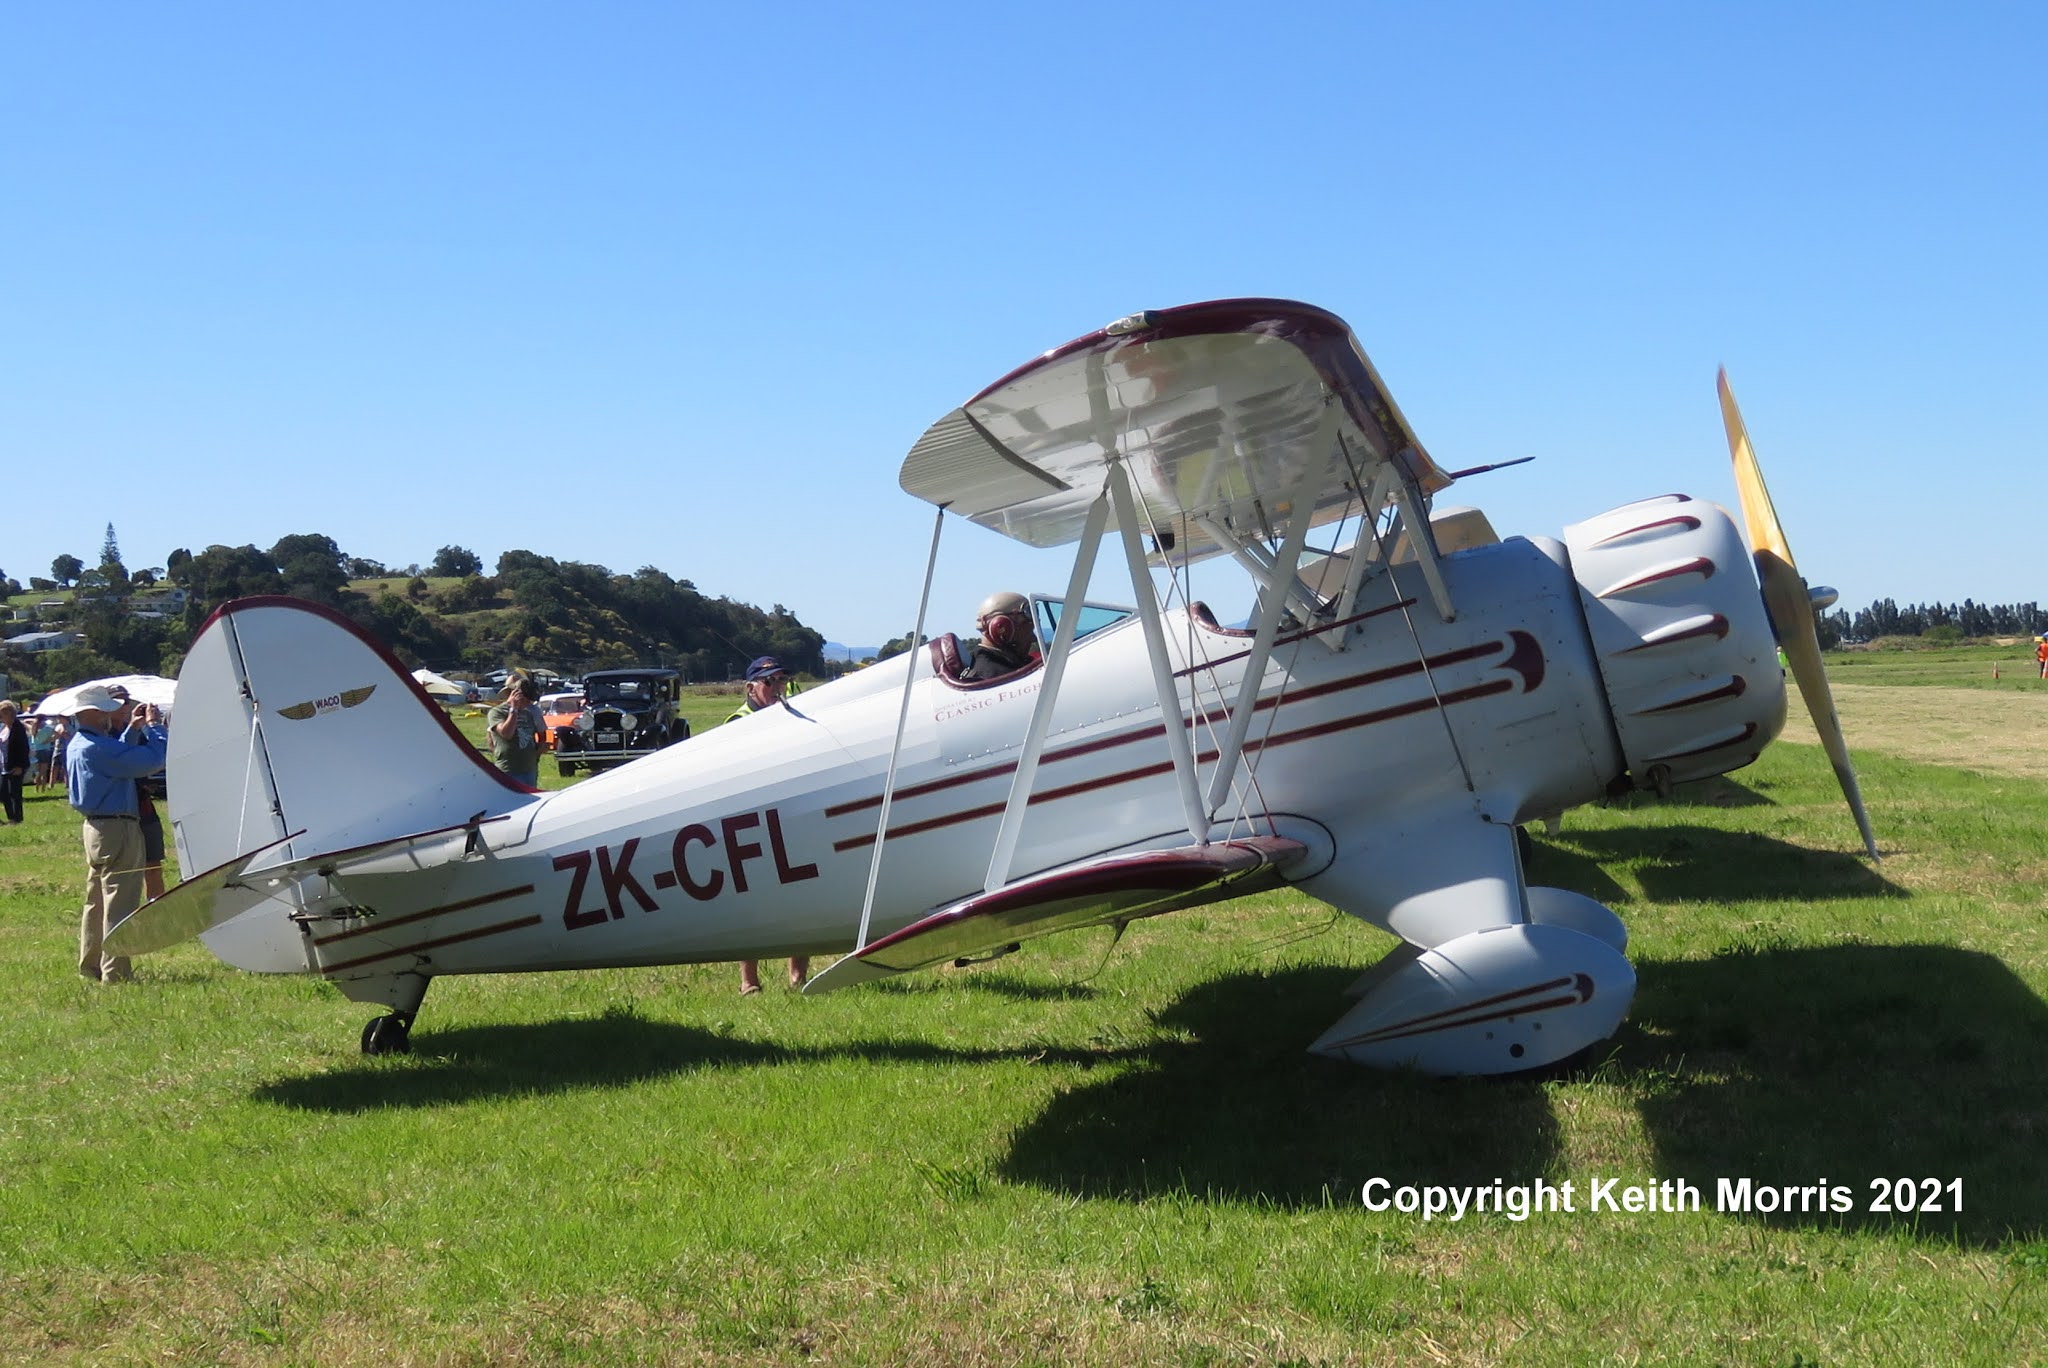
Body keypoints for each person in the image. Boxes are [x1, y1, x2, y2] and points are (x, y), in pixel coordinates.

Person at [66, 684, 168, 983]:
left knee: (95, 900)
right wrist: (154, 727)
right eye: (107, 711)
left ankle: (91, 967)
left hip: (95, 827)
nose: (111, 716)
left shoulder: (79, 744)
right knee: (121, 900)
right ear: (97, 714)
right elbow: (151, 761)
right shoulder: (100, 747)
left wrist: (133, 731)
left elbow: (118, 755)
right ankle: (116, 972)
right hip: (118, 827)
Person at [727, 656, 807, 994]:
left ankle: (798, 978)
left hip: (791, 815)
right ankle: (749, 981)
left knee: (804, 898)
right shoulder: (738, 723)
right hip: (752, 822)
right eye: (769, 682)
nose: (777, 688)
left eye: (781, 681)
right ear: (750, 687)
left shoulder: (792, 715)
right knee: (753, 905)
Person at [486, 675, 547, 787]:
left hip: (529, 770)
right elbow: (506, 734)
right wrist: (513, 709)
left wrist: (536, 754)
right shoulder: (497, 712)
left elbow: (539, 736)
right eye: (526, 700)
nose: (529, 703)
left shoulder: (528, 713)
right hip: (508, 770)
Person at [965, 590, 1041, 680]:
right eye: (1028, 632)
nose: (1033, 639)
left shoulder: (1012, 664)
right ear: (1002, 628)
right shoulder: (997, 675)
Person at [0, 701, 28, 824]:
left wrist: (20, 765)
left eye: (2, 714)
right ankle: (11, 817)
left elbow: (23, 748)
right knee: (4, 793)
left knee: (14, 793)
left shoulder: (18, 728)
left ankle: (17, 818)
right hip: (3, 765)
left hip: (15, 765)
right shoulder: (3, 728)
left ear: (9, 713)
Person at [31, 715, 56, 790]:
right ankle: (43, 788)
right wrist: (50, 740)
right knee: (44, 771)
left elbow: (33, 738)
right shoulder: (48, 728)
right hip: (45, 749)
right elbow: (57, 734)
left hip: (36, 750)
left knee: (38, 770)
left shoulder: (35, 727)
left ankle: (37, 788)